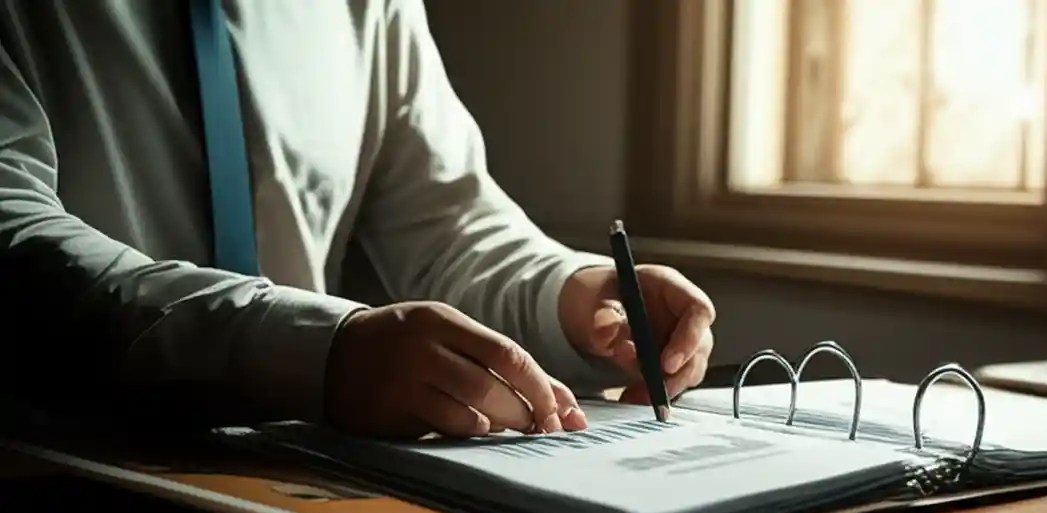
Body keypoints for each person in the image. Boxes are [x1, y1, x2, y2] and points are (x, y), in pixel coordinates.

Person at [0, 1, 715, 438]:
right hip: (48, 492)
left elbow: (445, 217)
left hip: (314, 501)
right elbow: (14, 240)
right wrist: (320, 354)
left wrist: (576, 297)